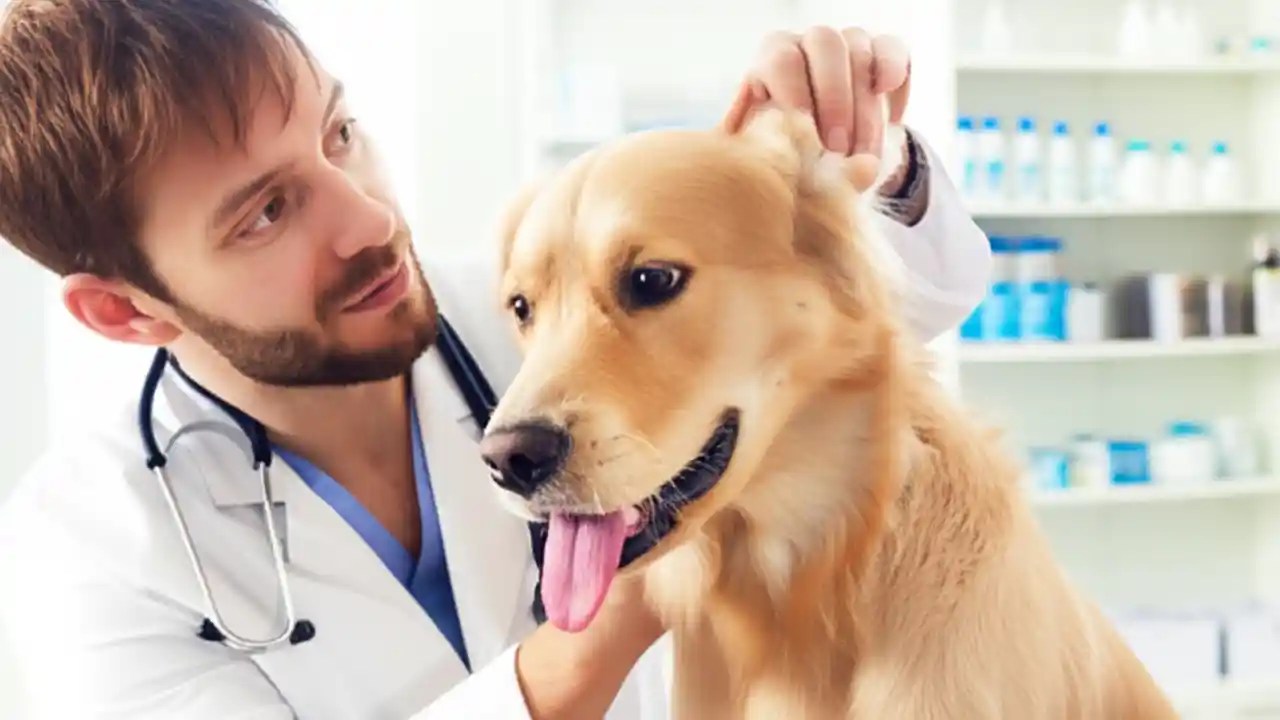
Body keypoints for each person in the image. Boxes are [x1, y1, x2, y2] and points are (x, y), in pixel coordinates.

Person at [0, 1, 990, 718]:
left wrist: (854, 158)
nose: (371, 218)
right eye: (264, 214)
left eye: (338, 135)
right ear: (122, 314)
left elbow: (897, 300)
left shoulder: (526, 308)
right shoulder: (88, 550)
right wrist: (579, 655)